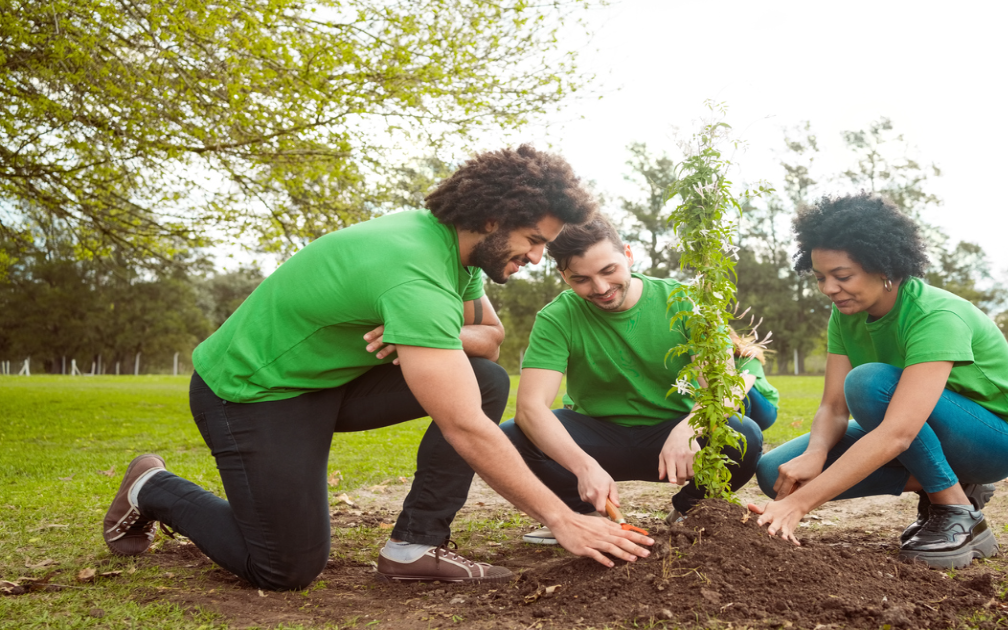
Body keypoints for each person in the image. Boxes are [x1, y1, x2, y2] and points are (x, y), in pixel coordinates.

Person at [101, 146, 654, 590]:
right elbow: (464, 426)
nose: (537, 259)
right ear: (494, 218)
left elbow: (488, 340)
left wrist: (435, 335)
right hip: (252, 394)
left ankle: (414, 546)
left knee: (486, 379)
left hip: (330, 384)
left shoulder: (456, 252)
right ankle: (153, 487)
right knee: (284, 568)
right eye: (534, 241)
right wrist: (562, 518)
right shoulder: (413, 273)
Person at [750, 193, 1008, 569]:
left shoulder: (935, 314)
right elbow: (833, 407)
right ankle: (943, 480)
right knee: (775, 472)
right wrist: (816, 453)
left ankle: (956, 508)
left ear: (884, 267)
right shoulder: (845, 314)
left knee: (868, 383)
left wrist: (799, 506)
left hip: (999, 440)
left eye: (842, 276)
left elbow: (898, 432)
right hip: (919, 427)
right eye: (820, 277)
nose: (829, 288)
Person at [502, 214, 764, 545]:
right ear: (563, 275)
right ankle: (577, 516)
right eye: (581, 279)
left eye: (608, 270)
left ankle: (691, 510)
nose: (600, 288)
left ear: (628, 254)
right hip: (596, 434)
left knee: (744, 435)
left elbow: (723, 387)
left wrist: (688, 428)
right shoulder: (557, 316)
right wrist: (582, 466)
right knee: (513, 436)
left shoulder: (685, 299)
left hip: (671, 433)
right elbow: (530, 408)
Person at [731, 330, 780, 431]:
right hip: (734, 403)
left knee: (737, 388)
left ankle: (743, 430)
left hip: (764, 410)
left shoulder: (749, 357)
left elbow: (741, 390)